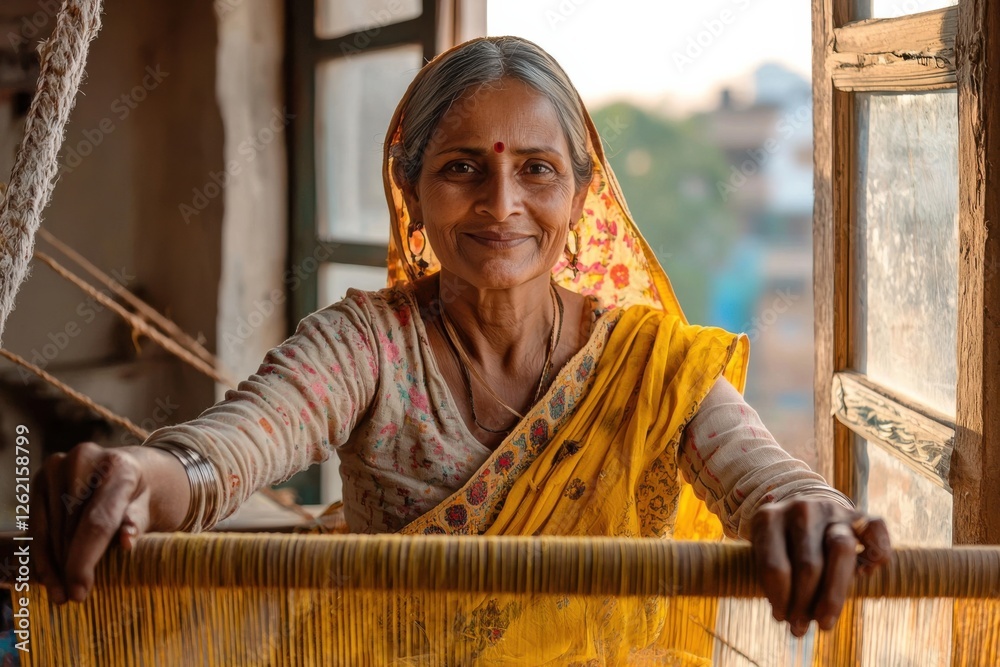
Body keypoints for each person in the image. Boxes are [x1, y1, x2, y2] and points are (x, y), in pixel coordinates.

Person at [30, 36, 889, 662]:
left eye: (537, 170)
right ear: (412, 190)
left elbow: (768, 479)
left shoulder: (646, 364)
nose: (502, 204)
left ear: (581, 191)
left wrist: (809, 510)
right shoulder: (366, 343)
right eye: (463, 168)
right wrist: (141, 479)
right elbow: (228, 449)